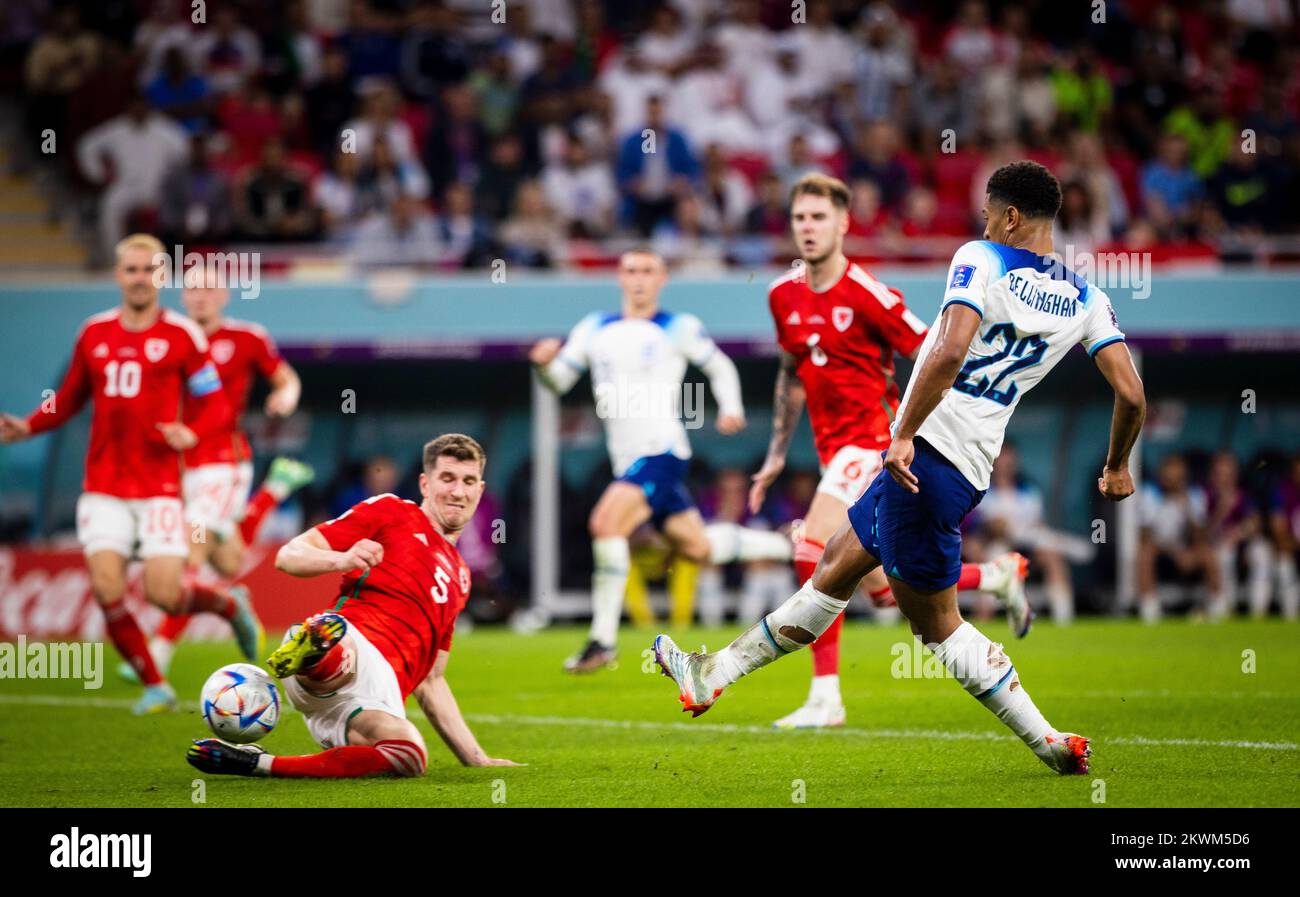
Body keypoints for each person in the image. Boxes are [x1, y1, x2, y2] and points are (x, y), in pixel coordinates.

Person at [654, 161, 1147, 775]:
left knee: (937, 626)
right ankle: (712, 675)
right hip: (964, 464)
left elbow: (944, 352)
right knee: (832, 565)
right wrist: (1118, 466)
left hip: (925, 459)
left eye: (989, 214)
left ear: (1011, 217)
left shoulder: (982, 258)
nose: (984, 224)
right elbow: (1131, 395)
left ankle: (1048, 741)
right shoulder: (1089, 298)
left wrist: (903, 432)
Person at [750, 173, 1030, 729]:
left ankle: (826, 697)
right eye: (800, 218)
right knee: (886, 589)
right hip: (834, 452)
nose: (807, 228)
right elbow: (791, 373)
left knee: (811, 544)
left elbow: (935, 351)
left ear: (843, 224)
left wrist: (928, 431)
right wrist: (778, 453)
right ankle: (996, 576)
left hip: (876, 440)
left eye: (819, 218)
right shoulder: (782, 295)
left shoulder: (870, 295)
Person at [0, 234, 261, 715]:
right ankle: (155, 684)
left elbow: (216, 403)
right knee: (106, 589)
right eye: (132, 270)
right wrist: (29, 425)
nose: (140, 279)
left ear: (161, 276)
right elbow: (71, 397)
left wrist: (190, 432)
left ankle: (229, 606)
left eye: (149, 270)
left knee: (166, 594)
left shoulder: (184, 336)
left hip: (161, 489)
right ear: (119, 275)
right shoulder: (94, 333)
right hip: (103, 486)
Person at [187, 434, 521, 777]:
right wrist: (341, 559)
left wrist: (476, 757)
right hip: (353, 645)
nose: (457, 492)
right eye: (447, 479)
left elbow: (432, 681)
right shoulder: (391, 511)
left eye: (467, 482)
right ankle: (316, 653)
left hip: (374, 700)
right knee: (339, 643)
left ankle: (256, 763)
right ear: (425, 483)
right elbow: (288, 556)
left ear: (480, 490)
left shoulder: (461, 578)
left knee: (409, 756)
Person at [529, 248, 792, 673]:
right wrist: (542, 366)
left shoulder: (678, 327)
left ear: (661, 278)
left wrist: (730, 406)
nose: (638, 278)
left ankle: (602, 641)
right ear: (619, 276)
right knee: (699, 547)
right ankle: (791, 544)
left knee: (605, 523)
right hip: (628, 461)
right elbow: (558, 379)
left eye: (647, 270)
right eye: (630, 269)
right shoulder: (594, 328)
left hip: (662, 452)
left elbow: (720, 366)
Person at [119, 284, 314, 682]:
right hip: (175, 466)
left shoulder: (246, 338)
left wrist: (287, 397)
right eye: (192, 289)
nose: (200, 296)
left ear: (224, 295)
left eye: (209, 288)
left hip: (223, 463)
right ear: (183, 297)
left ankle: (157, 653)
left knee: (187, 556)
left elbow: (285, 379)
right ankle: (270, 496)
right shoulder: (165, 339)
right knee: (225, 560)